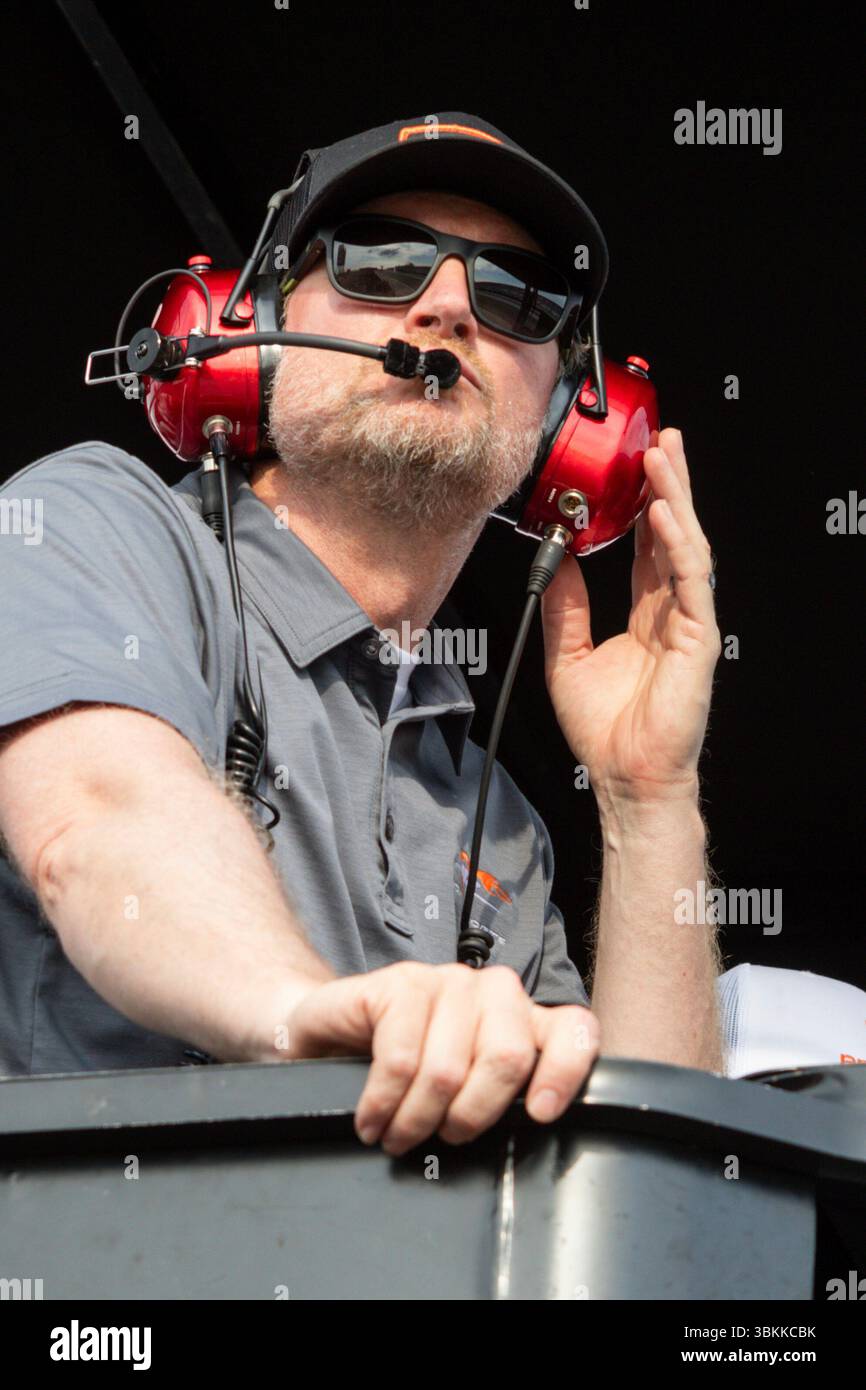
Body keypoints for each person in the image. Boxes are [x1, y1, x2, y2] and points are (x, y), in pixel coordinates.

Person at [0, 112, 723, 1156]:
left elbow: (655, 1201)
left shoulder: (501, 829)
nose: (444, 308)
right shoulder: (91, 522)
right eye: (379, 260)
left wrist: (647, 798)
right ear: (244, 329)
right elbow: (102, 823)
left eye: (515, 294)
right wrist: (308, 1018)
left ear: (572, 425)